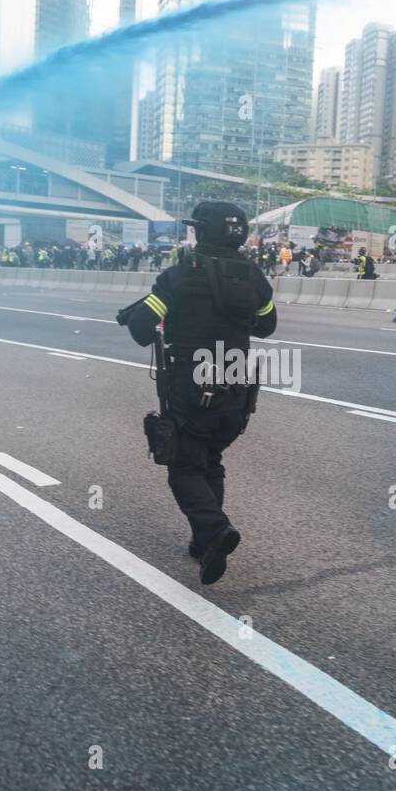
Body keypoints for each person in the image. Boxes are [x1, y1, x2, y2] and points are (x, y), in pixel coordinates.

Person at [121, 201, 277, 585]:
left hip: (192, 384)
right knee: (210, 459)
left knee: (184, 466)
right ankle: (203, 542)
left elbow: (142, 329)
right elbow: (267, 325)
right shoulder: (254, 275)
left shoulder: (178, 276)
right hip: (236, 385)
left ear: (200, 231)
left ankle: (215, 530)